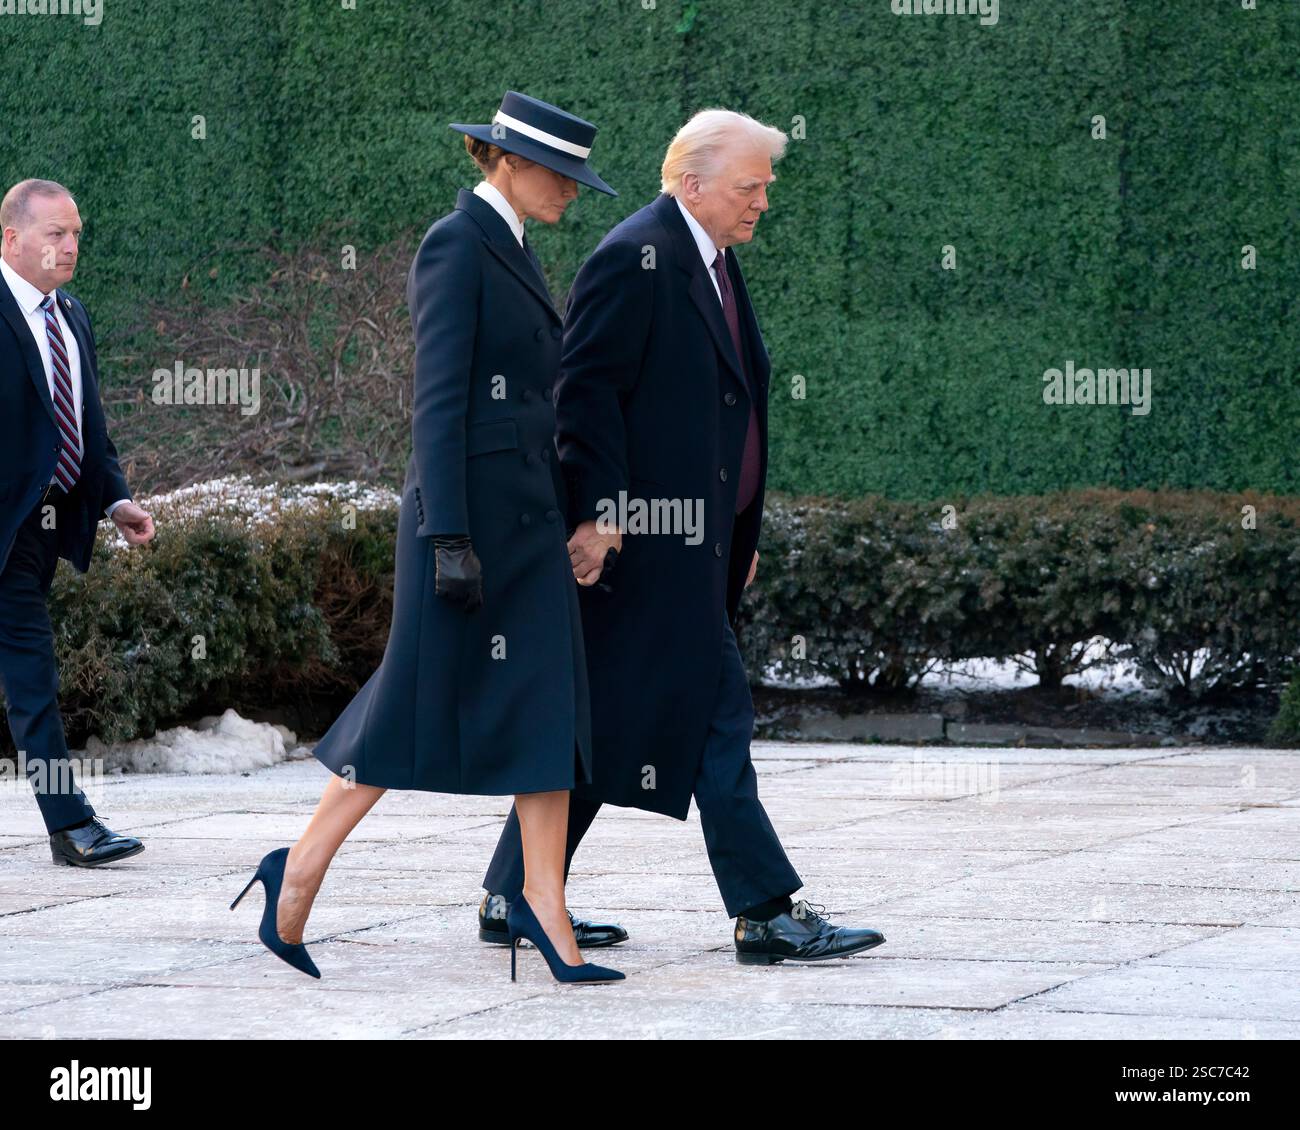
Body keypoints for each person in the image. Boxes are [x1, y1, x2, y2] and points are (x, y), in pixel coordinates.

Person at [230, 92, 625, 984]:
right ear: (507, 163)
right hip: (469, 529)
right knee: (407, 706)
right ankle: (293, 876)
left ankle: (545, 905)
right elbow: (438, 405)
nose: (571, 192)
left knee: (548, 704)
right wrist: (450, 538)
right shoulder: (458, 245)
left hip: (526, 527)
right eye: (561, 175)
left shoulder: (514, 246)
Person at [478, 110, 887, 964]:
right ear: (692, 184)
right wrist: (603, 516)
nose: (763, 202)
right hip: (646, 547)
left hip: (695, 546)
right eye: (751, 187)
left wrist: (742, 524)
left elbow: (725, 406)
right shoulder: (637, 255)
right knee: (716, 715)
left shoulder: (712, 259)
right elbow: (583, 394)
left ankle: (512, 894)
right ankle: (767, 911)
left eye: (766, 187)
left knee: (609, 718)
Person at [0, 179, 156, 868]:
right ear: (12, 238)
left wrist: (115, 502)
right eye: (54, 234)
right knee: (32, 678)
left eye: (75, 235)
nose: (68, 247)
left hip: (35, 533)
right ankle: (70, 824)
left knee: (31, 674)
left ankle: (70, 824)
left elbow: (90, 430)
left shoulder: (72, 316)